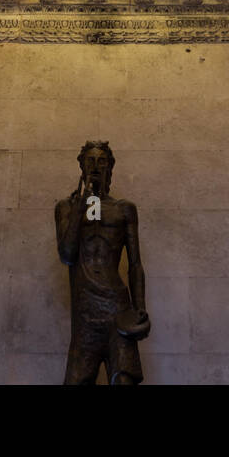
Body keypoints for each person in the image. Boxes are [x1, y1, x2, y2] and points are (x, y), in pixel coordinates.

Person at [54, 141, 150, 385]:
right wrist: (81, 205)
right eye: (90, 160)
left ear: (110, 167)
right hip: (86, 311)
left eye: (102, 161)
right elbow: (67, 254)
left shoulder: (124, 209)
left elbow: (135, 264)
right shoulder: (66, 207)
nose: (96, 166)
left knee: (124, 379)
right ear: (82, 167)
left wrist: (139, 308)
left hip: (118, 308)